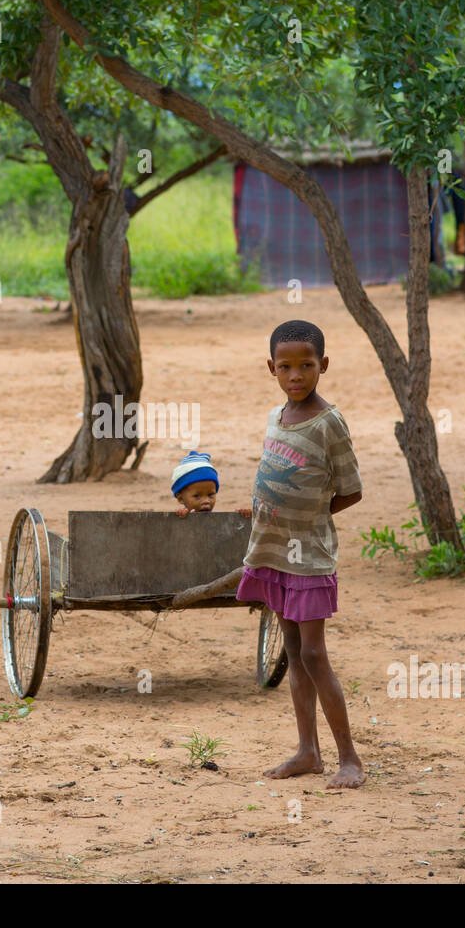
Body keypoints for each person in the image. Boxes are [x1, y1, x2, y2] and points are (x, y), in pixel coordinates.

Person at [236, 319, 365, 789]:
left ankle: (349, 757)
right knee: (292, 650)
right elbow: (275, 472)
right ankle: (307, 751)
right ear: (271, 368)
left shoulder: (329, 423)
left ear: (323, 366)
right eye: (286, 367)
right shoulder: (276, 417)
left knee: (313, 653)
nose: (296, 376)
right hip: (273, 552)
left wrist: (309, 516)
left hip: (309, 556)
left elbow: (351, 490)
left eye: (306, 366)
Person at [171, 450, 252, 517]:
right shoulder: (182, 516)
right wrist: (180, 518)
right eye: (197, 496)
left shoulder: (217, 518)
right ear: (180, 498)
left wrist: (241, 515)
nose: (206, 501)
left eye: (210, 495)